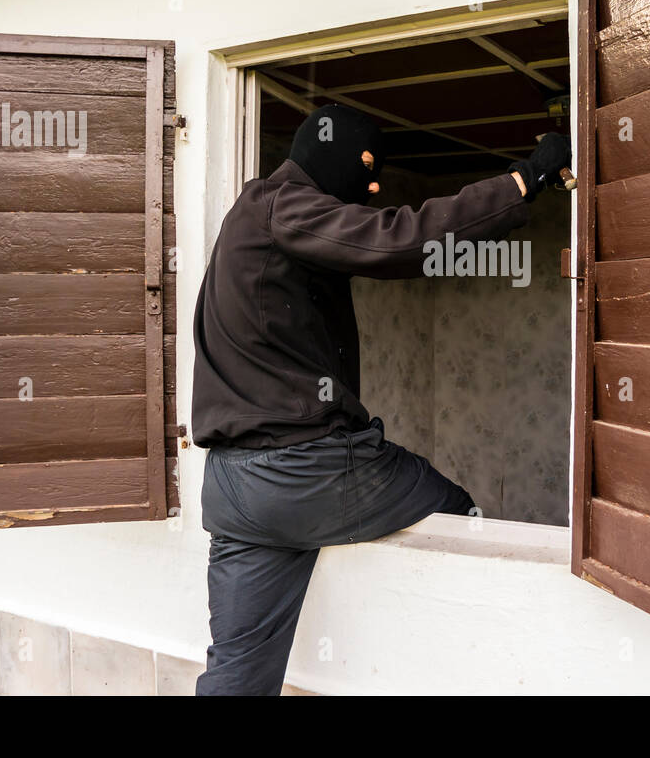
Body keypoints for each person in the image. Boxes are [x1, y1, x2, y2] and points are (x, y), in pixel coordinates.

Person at [190, 103, 571, 695]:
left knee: (237, 673)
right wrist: (527, 177)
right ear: (327, 154)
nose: (371, 185)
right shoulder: (283, 206)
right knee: (456, 507)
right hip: (305, 472)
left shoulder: (248, 219)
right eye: (367, 168)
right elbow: (398, 241)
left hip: (233, 490)